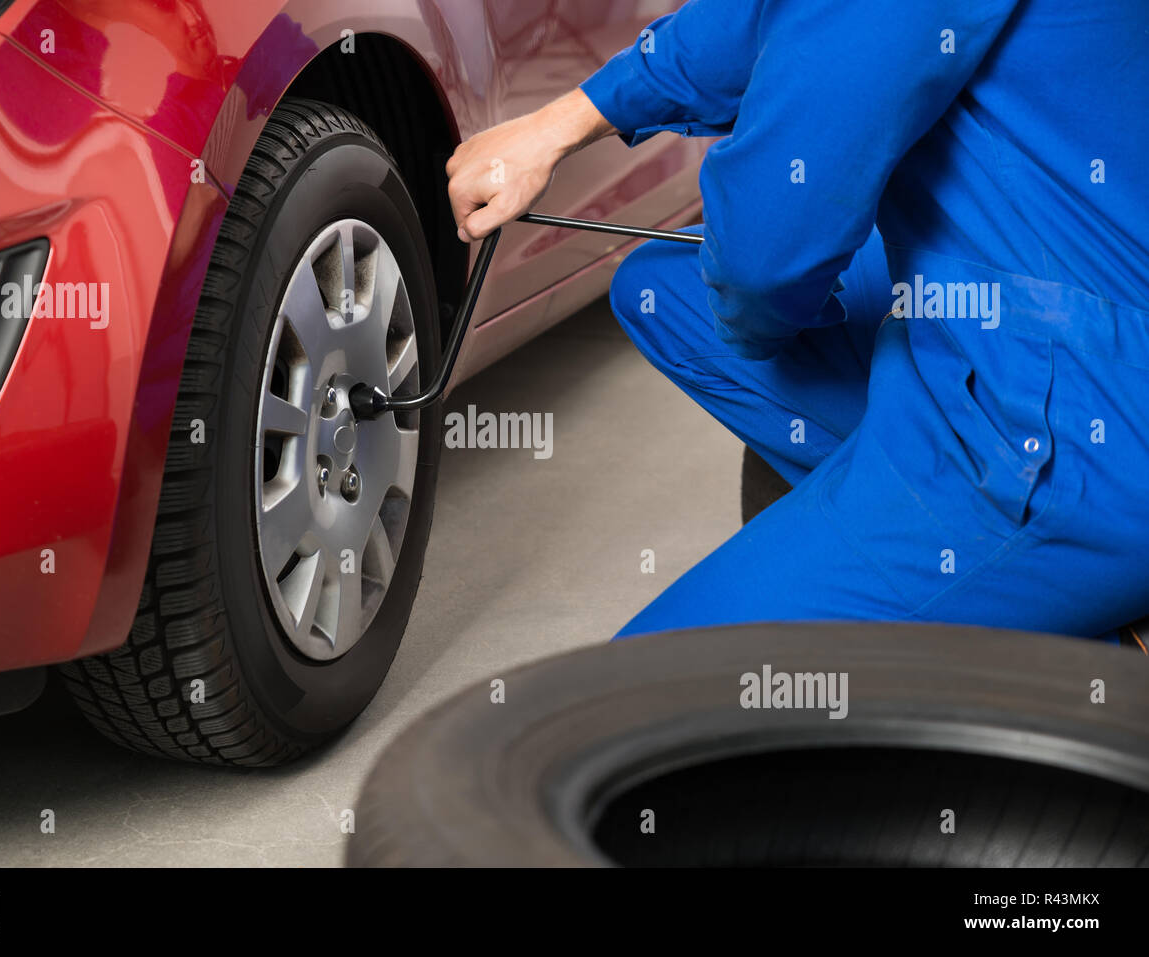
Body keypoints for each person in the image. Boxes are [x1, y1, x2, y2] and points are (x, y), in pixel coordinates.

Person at [445, 0, 1149, 646]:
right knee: (661, 291)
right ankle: (992, 571)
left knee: (616, 716)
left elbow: (768, 252)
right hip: (1057, 270)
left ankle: (1031, 578)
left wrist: (771, 315)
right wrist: (564, 119)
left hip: (1081, 400)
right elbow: (766, 12)